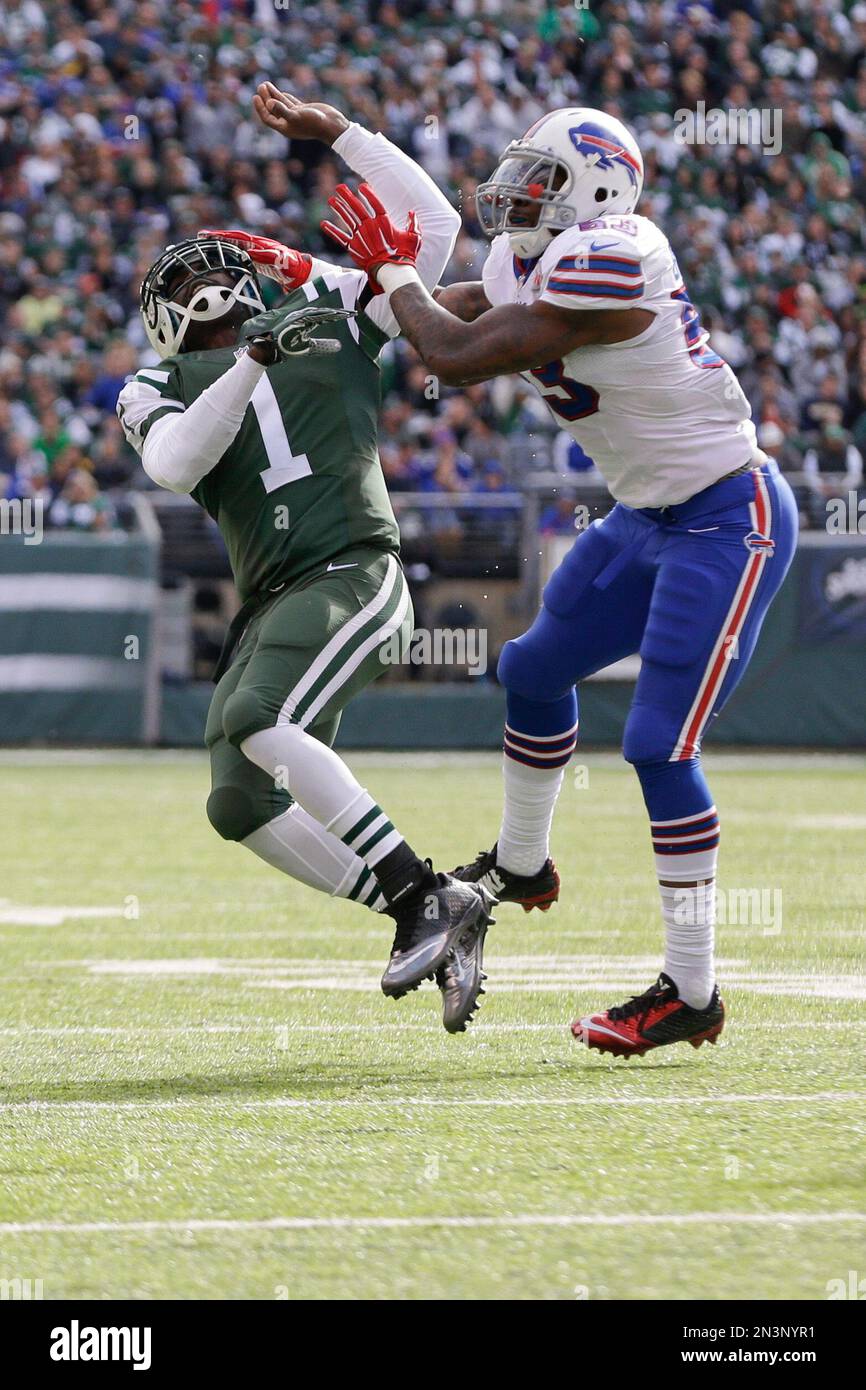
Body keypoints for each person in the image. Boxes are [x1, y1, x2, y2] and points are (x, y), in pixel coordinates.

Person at [322, 106, 799, 1057]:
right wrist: (318, 292)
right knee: (533, 671)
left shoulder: (619, 252)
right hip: (645, 514)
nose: (516, 193)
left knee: (660, 744)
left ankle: (691, 990)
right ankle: (523, 865)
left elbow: (453, 358)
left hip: (725, 515)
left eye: (539, 178)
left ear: (597, 189)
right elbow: (436, 315)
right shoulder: (526, 261)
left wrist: (396, 275)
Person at [116, 85, 494, 1035]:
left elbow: (431, 230)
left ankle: (422, 899)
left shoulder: (331, 309)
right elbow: (175, 463)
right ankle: (431, 904)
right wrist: (249, 359)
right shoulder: (155, 383)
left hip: (352, 568)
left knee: (254, 713)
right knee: (237, 798)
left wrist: (343, 134)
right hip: (274, 598)